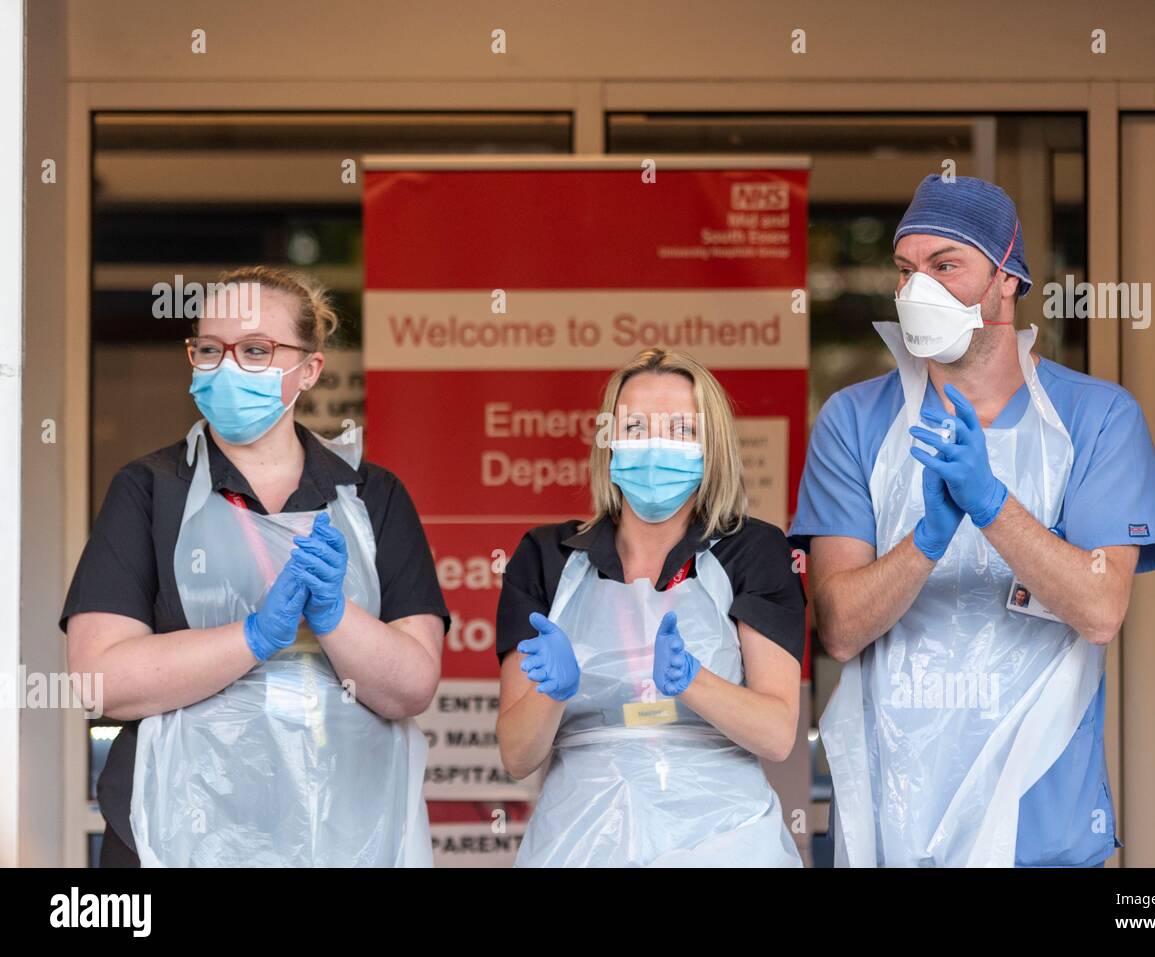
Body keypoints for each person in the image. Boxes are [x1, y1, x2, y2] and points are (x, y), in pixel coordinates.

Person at [790, 175, 1155, 868]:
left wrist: (993, 505)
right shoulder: (853, 421)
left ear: (1008, 278)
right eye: (906, 271)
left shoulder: (1097, 420)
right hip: (892, 822)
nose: (920, 291)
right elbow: (841, 628)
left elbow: (1099, 607)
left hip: (1041, 822)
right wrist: (927, 541)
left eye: (946, 266)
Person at [62, 266, 449, 867]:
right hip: (172, 830)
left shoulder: (372, 497)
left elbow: (412, 686)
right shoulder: (149, 490)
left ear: (309, 369)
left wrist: (334, 617)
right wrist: (253, 636)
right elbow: (101, 677)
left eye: (256, 350)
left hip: (345, 833)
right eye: (210, 351)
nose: (226, 367)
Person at [496, 348, 806, 867]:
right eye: (636, 426)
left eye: (680, 429)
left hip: (725, 842)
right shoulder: (546, 557)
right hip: (580, 841)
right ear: (608, 441)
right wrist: (553, 694)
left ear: (712, 447)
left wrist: (693, 682)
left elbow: (777, 735)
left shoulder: (753, 551)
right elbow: (517, 755)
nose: (655, 447)